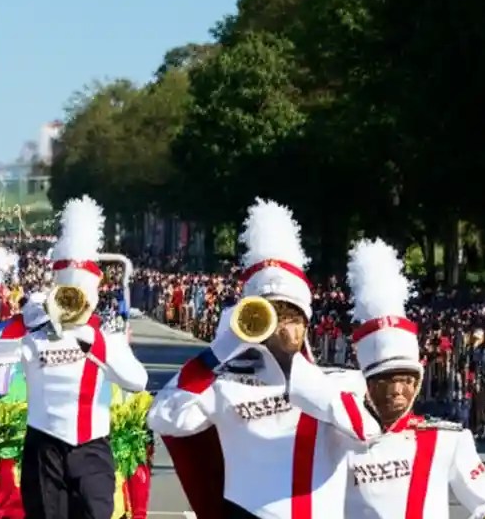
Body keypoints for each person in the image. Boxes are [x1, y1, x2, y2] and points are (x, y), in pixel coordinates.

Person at [149, 199, 382, 519]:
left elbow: (367, 429)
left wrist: (289, 363)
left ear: (306, 324)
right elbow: (163, 418)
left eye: (291, 317)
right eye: (271, 317)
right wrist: (219, 351)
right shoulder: (225, 386)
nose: (280, 328)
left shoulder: (340, 382)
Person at [0, 196, 148, 519]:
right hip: (44, 451)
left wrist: (92, 339)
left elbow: (138, 380)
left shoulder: (106, 338)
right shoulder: (34, 336)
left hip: (92, 450)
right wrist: (22, 321)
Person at [342, 238, 485, 519]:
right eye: (386, 380)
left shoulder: (447, 439)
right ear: (368, 384)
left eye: (407, 380)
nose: (398, 390)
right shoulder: (336, 441)